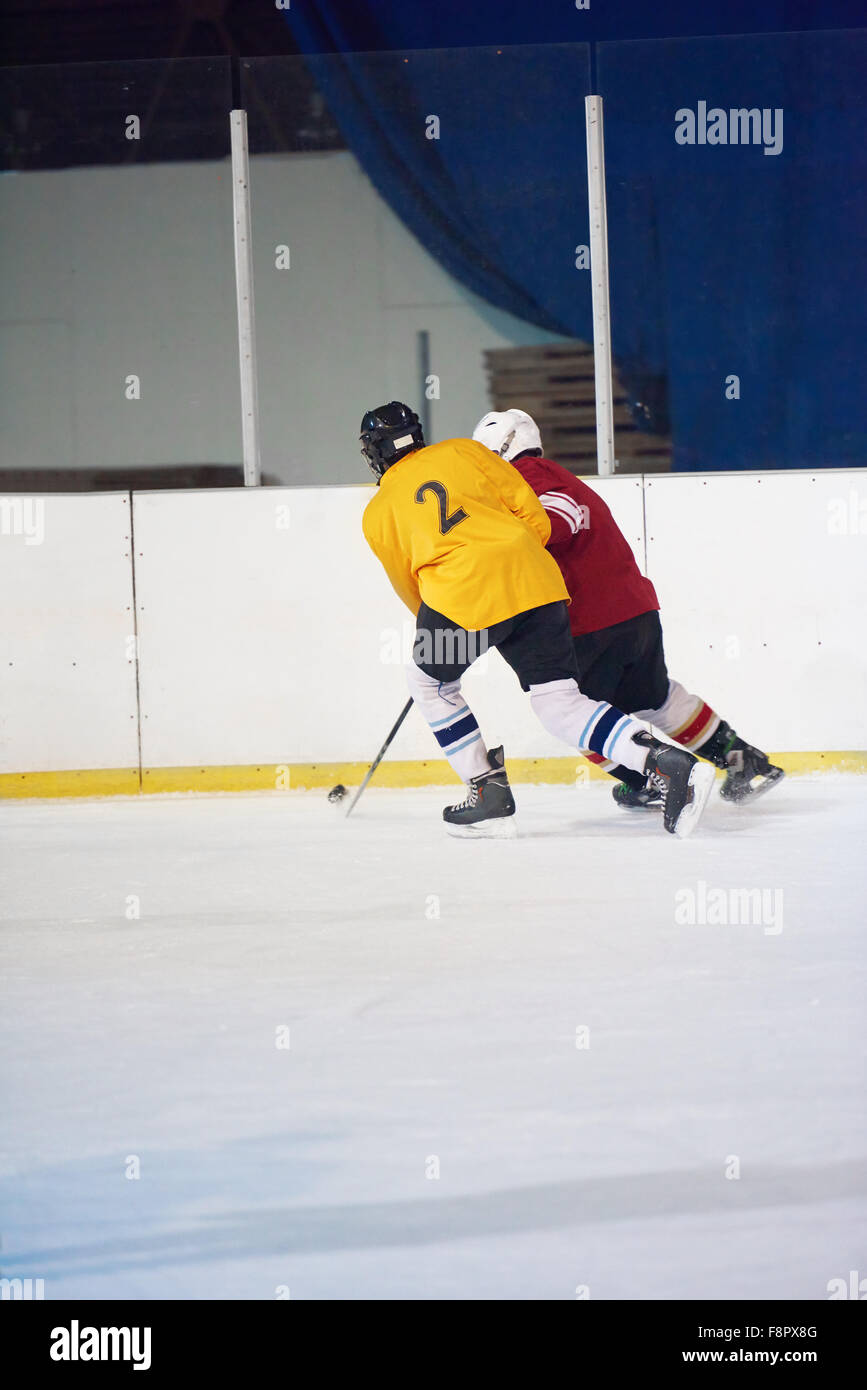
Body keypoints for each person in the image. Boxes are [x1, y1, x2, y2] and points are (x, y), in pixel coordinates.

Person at [359, 401, 715, 838]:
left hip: (462, 601)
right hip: (538, 584)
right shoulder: (465, 452)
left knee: (430, 683)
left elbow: (407, 583)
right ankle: (663, 762)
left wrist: (438, 632)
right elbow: (523, 502)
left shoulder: (376, 512)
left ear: (374, 452)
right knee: (558, 701)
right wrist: (524, 553)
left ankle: (487, 792)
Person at [472, 408, 784, 807]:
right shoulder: (556, 474)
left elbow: (560, 517)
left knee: (572, 713)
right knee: (657, 699)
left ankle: (651, 778)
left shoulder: (528, 477)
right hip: (634, 613)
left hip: (589, 621)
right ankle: (746, 762)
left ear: (499, 451)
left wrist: (494, 548)